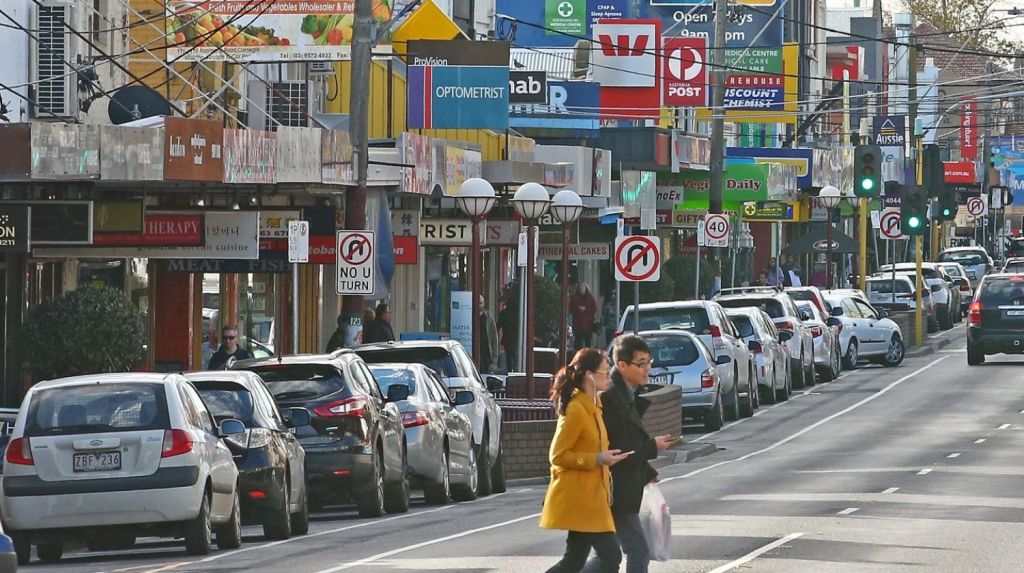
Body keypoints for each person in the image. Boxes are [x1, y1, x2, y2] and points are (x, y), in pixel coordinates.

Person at [540, 348, 630, 573]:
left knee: (574, 561)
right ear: (589, 375)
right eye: (604, 372)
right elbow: (557, 455)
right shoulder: (576, 409)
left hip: (593, 497)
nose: (609, 376)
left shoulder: (594, 406)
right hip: (582, 498)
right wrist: (597, 458)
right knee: (610, 556)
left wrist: (605, 458)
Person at [600, 335, 674, 573]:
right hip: (615, 488)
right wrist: (653, 446)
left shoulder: (626, 395)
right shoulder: (611, 398)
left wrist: (648, 471)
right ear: (622, 365)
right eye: (641, 363)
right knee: (637, 550)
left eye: (649, 362)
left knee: (608, 556)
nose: (647, 368)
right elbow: (619, 447)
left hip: (623, 485)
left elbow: (629, 440)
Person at [569, 281, 598, 350]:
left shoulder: (590, 298)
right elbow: (571, 309)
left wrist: (585, 309)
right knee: (578, 343)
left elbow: (595, 309)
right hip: (578, 324)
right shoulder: (574, 298)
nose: (581, 289)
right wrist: (578, 309)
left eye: (582, 287)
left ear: (586, 288)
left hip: (589, 324)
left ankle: (587, 354)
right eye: (580, 287)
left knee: (588, 342)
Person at [478, 295, 499, 374]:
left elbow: (494, 337)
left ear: (484, 304)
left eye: (481, 303)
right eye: (477, 303)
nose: (479, 305)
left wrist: (495, 357)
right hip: (473, 353)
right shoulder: (469, 315)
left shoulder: (488, 318)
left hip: (486, 353)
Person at [498, 302, 518, 372]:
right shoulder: (517, 313)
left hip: (507, 338)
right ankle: (515, 369)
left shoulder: (503, 313)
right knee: (514, 355)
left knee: (509, 355)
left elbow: (498, 325)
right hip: (515, 338)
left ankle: (510, 369)